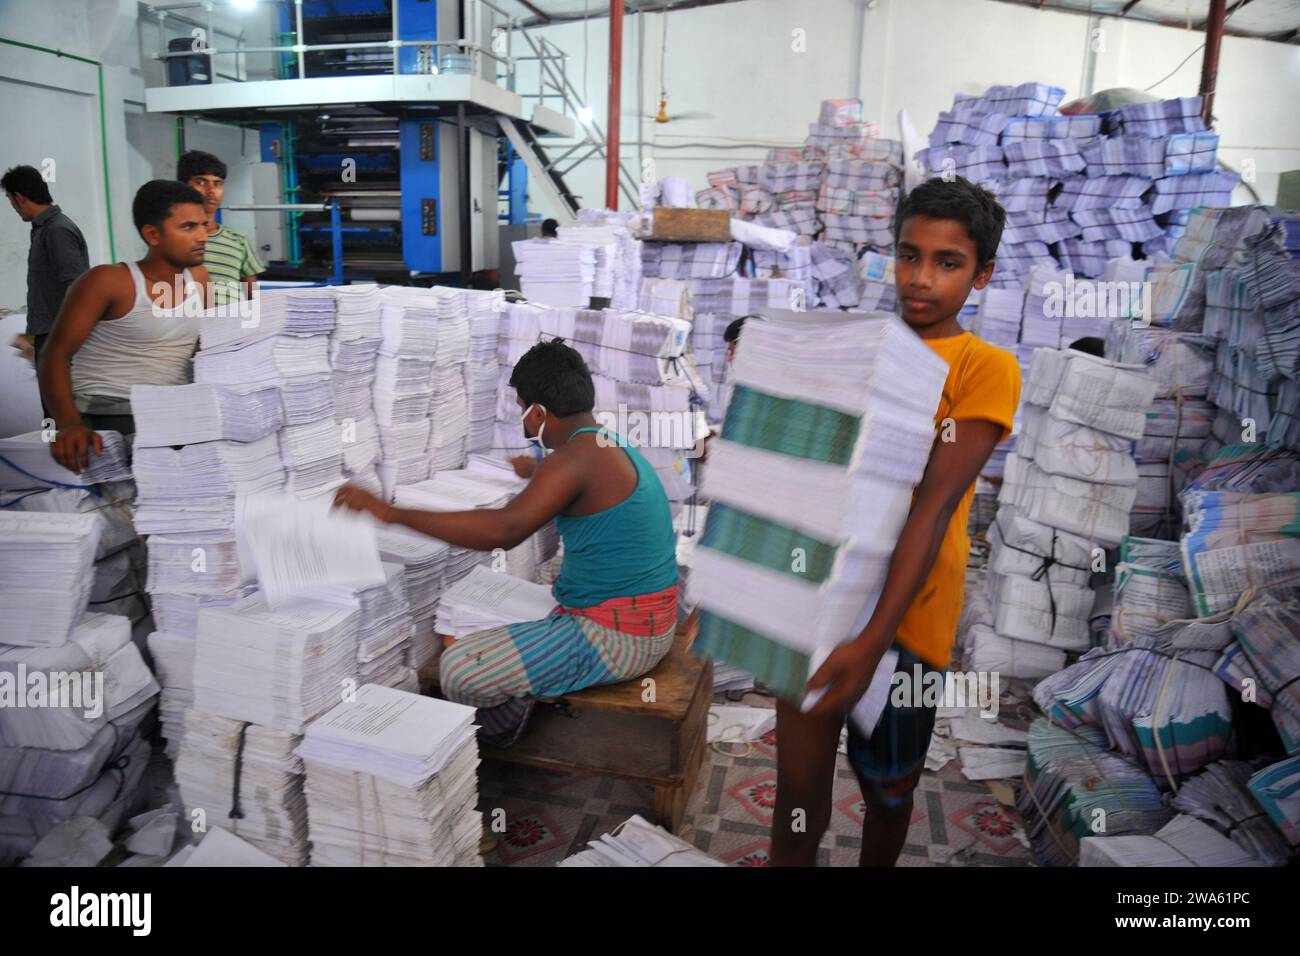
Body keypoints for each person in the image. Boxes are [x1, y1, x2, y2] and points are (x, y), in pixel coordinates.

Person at [769, 176, 1022, 867]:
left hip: (911, 622)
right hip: (820, 606)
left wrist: (873, 637)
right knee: (797, 791)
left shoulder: (985, 369)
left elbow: (934, 509)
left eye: (948, 263)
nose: (921, 279)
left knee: (886, 790)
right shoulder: (856, 348)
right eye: (909, 256)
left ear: (983, 274)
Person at [333, 338, 680, 747]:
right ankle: (535, 679)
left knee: (461, 667)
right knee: (535, 581)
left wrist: (389, 513)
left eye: (521, 409)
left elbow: (504, 530)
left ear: (538, 412)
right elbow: (578, 482)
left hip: (622, 637)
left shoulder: (570, 461)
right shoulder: (602, 444)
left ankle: (510, 733)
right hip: (647, 613)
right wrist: (534, 470)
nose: (523, 420)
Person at [39, 180, 211, 470]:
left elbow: (206, 348)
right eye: (188, 227)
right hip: (112, 412)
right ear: (153, 235)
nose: (203, 236)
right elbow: (54, 355)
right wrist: (68, 425)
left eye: (204, 225)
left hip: (172, 409)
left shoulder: (200, 279)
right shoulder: (109, 281)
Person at [2, 165, 90, 387]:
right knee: (51, 408)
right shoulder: (44, 229)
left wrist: (63, 342)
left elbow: (77, 286)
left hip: (58, 340)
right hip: (48, 337)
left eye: (10, 201)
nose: (13, 207)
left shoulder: (57, 231)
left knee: (59, 409)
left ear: (19, 197)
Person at [177, 150, 264, 305]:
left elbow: (254, 298)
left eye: (217, 184)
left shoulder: (238, 241)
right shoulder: (173, 238)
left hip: (229, 327)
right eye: (201, 182)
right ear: (183, 186)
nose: (211, 191)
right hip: (186, 325)